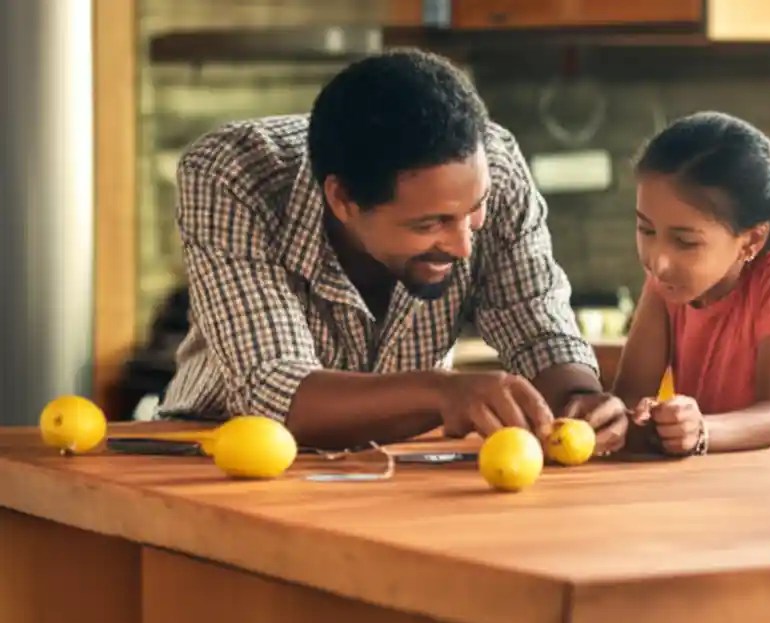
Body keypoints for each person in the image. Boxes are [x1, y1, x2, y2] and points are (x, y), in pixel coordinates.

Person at [158, 49, 626, 451]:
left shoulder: (492, 166)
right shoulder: (233, 176)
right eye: (430, 223)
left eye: (474, 211)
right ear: (341, 199)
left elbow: (538, 331)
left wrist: (580, 399)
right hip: (216, 455)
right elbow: (274, 392)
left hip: (401, 460)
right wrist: (443, 393)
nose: (464, 245)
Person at [612, 112, 770, 456]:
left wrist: (700, 429)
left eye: (685, 241)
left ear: (751, 240)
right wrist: (625, 418)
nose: (658, 261)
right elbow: (629, 396)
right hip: (715, 483)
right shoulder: (665, 285)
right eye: (646, 231)